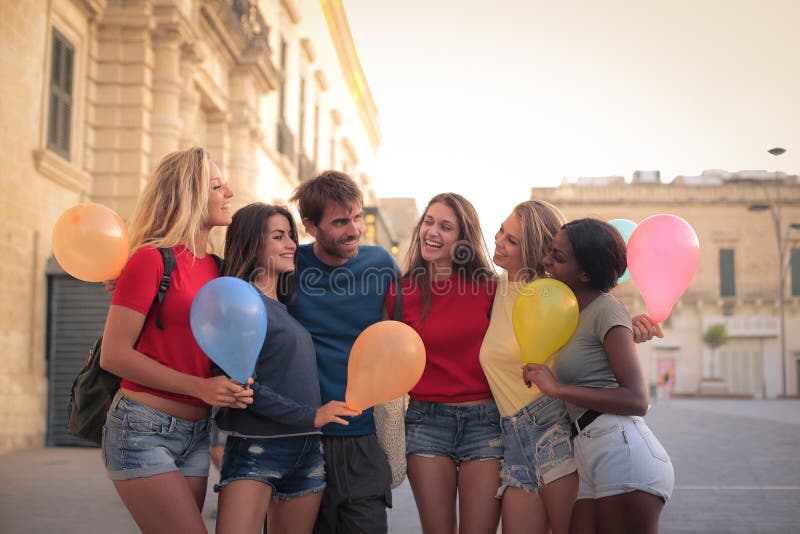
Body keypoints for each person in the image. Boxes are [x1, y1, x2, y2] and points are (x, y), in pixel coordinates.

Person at [480, 201, 663, 534]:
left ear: (534, 248)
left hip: (555, 427)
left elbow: (598, 328)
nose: (498, 240)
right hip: (512, 436)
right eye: (501, 230)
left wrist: (626, 328)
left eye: (512, 240)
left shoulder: (559, 298)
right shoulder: (496, 288)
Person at [99, 147, 253, 533]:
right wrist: (200, 387)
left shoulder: (219, 269)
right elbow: (114, 355)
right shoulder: (151, 259)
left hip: (197, 434)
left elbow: (210, 351)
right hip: (141, 428)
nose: (229, 192)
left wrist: (233, 384)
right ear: (190, 194)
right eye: (217, 186)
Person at [213, 203, 360, 534]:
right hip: (257, 448)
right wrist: (312, 416)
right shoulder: (241, 301)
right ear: (251, 242)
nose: (292, 244)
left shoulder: (286, 304)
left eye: (291, 236)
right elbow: (242, 385)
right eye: (278, 237)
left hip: (307, 452)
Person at [524, 218, 674, 534]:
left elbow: (637, 399)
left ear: (585, 274)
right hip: (591, 453)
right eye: (551, 251)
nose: (546, 261)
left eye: (558, 257)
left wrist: (559, 388)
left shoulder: (607, 308)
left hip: (622, 453)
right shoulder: (574, 313)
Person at [384, 193, 502, 534]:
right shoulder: (398, 293)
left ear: (463, 240)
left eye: (445, 226)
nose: (431, 231)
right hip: (425, 423)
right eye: (428, 221)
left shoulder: (491, 288)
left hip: (485, 423)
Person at [288, 171, 399, 534]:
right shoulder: (289, 266)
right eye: (339, 222)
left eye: (356, 217)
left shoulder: (381, 263)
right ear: (310, 226)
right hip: (302, 436)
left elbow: (407, 329)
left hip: (362, 436)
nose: (353, 229)